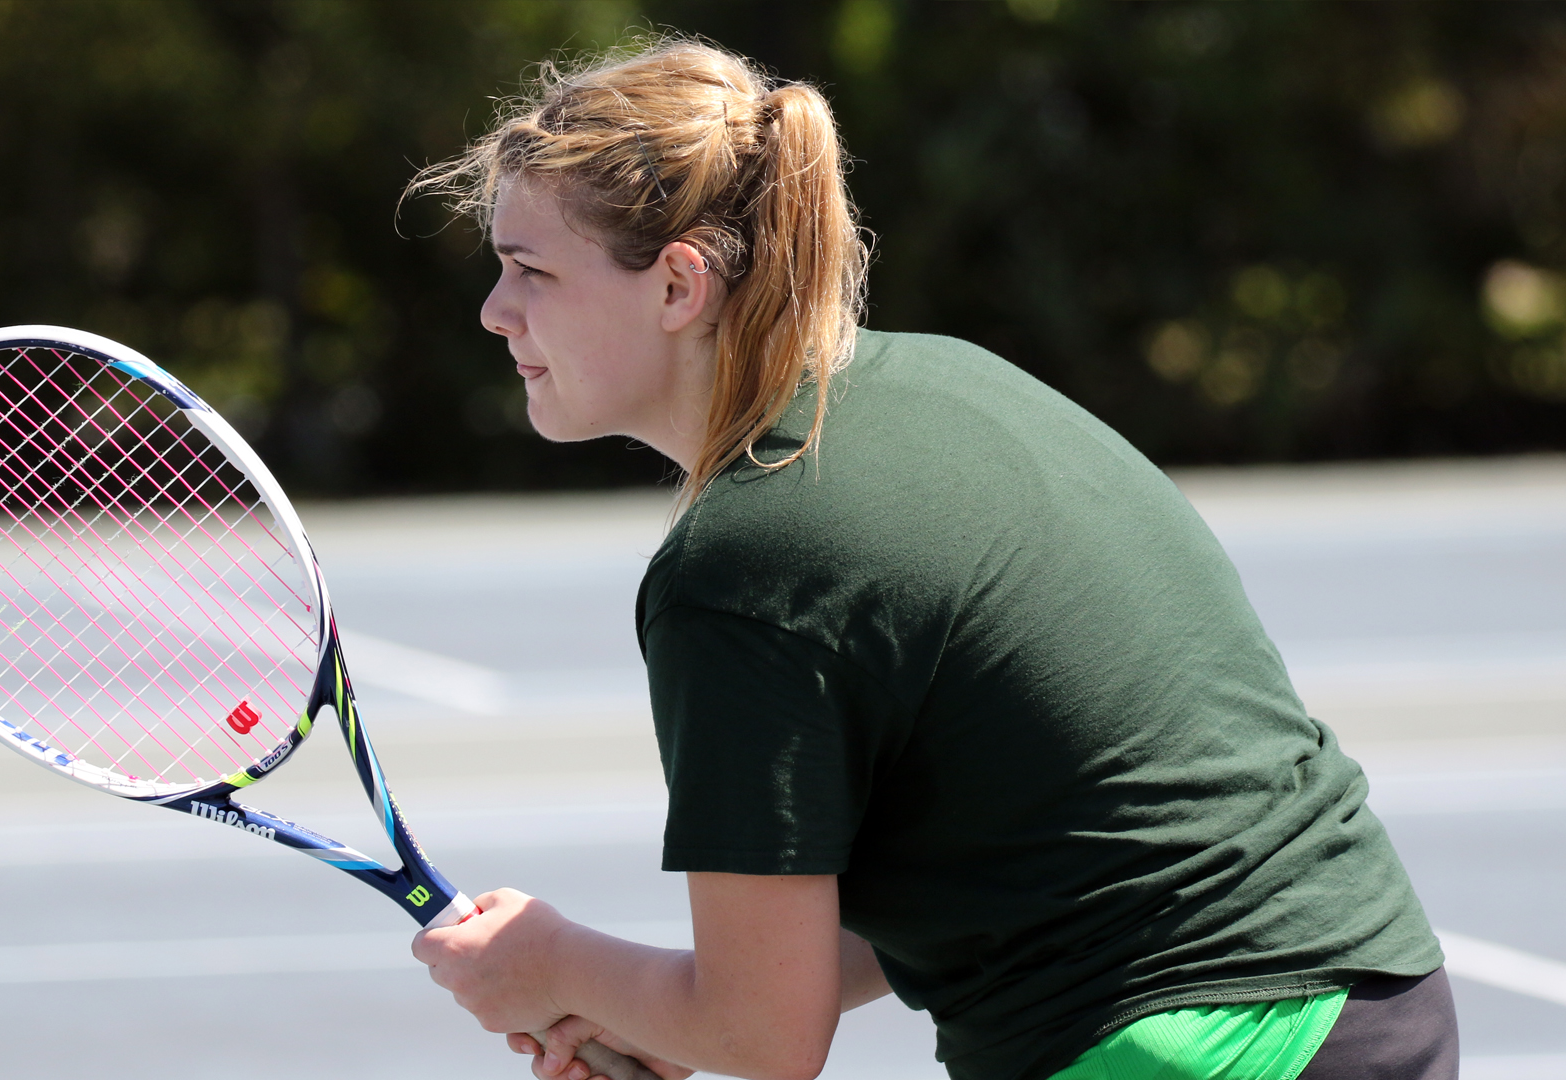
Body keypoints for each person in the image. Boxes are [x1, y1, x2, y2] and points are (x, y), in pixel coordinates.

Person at [406, 38, 1457, 1080]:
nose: (496, 312)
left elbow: (761, 1039)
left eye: (530, 270)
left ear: (679, 286)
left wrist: (550, 964)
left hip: (1193, 1050)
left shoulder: (741, 571)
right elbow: (989, 876)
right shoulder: (950, 382)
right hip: (1377, 999)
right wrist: (641, 1008)